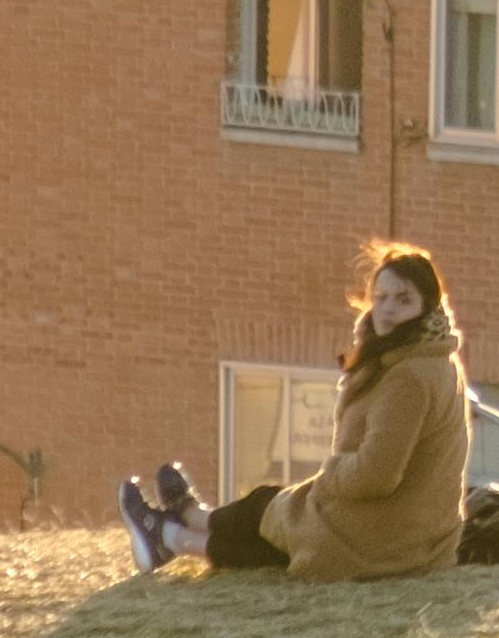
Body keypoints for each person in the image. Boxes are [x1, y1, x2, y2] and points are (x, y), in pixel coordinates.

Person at [140, 244, 476, 584]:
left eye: (403, 300)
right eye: (381, 297)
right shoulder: (429, 358)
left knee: (275, 515)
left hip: (390, 537)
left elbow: (376, 474)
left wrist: (329, 473)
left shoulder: (409, 378)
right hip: (415, 534)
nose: (387, 309)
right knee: (279, 517)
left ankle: (177, 528)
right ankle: (178, 528)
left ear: (427, 306)